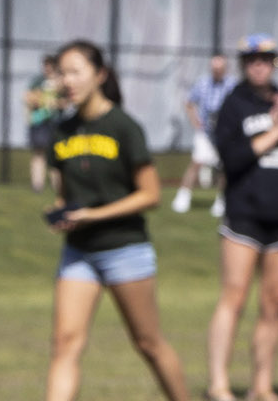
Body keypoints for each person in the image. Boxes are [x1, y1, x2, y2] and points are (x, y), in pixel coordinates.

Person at [42, 40, 189, 401]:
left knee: (148, 343)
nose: (67, 81)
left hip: (124, 250)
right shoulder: (61, 131)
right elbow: (65, 195)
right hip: (79, 253)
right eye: (62, 73)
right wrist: (62, 214)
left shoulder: (123, 127)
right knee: (65, 344)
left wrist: (93, 215)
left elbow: (150, 195)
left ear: (100, 75)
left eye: (76, 72)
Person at [205, 35, 278, 401]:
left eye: (265, 59)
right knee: (234, 298)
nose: (258, 65)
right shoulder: (234, 104)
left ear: (274, 63)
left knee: (274, 305)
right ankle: (219, 384)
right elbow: (230, 159)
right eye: (251, 60)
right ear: (243, 64)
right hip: (244, 217)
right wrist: (274, 132)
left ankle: (261, 386)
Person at [171, 54, 238, 217]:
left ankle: (221, 201)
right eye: (214, 69)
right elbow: (189, 102)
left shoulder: (232, 85)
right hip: (206, 132)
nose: (217, 72)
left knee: (224, 168)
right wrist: (196, 122)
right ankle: (183, 196)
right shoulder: (203, 83)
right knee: (197, 162)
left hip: (225, 134)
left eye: (220, 69)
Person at [26, 54, 63, 193]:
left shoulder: (61, 82)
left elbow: (66, 102)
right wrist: (43, 101)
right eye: (45, 65)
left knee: (57, 154)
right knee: (38, 153)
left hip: (55, 122)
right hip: (39, 122)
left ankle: (58, 185)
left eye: (49, 65)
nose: (47, 68)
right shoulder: (38, 81)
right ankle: (37, 185)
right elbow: (29, 98)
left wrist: (56, 102)